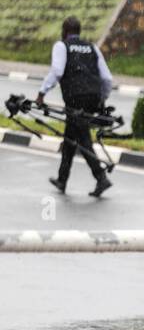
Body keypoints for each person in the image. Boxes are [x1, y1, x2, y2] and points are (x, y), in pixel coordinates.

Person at [37, 16, 113, 197]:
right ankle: (62, 179)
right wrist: (102, 99)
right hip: (93, 98)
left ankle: (101, 177)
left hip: (74, 98)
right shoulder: (92, 47)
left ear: (64, 31)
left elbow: (57, 71)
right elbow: (107, 78)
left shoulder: (62, 46)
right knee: (71, 137)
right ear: (79, 32)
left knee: (82, 138)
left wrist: (41, 93)